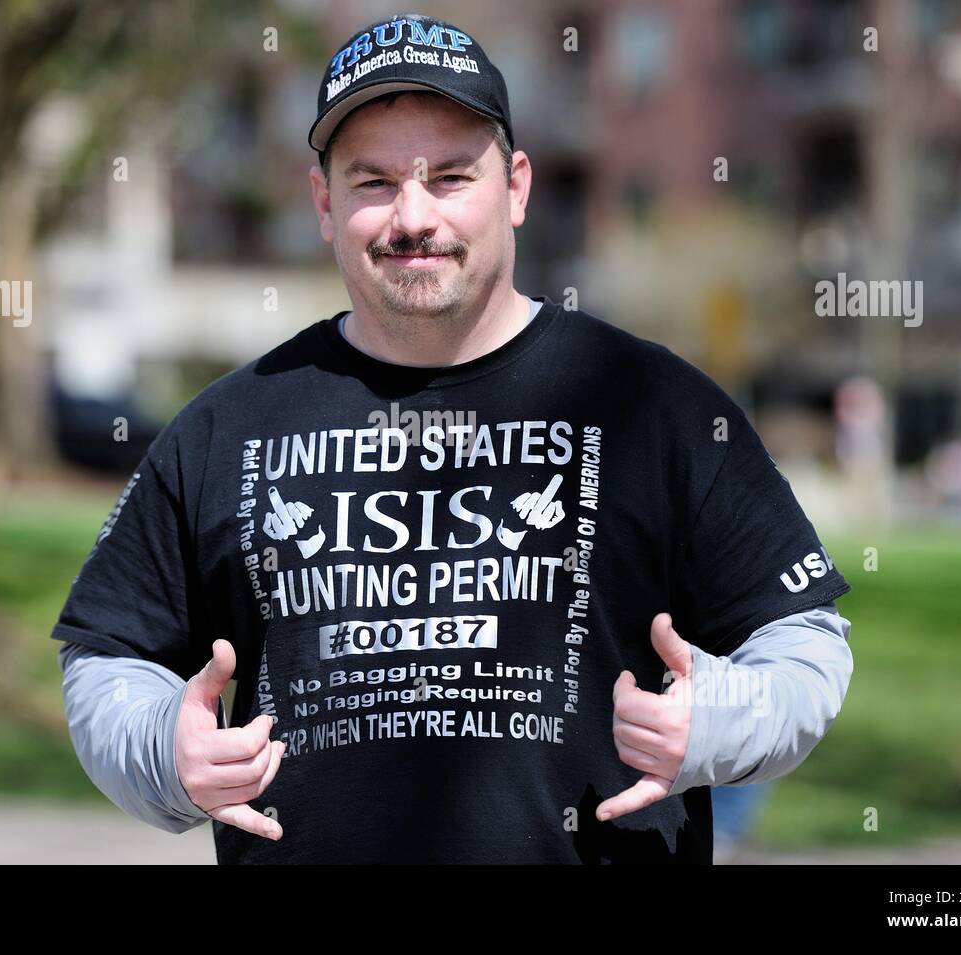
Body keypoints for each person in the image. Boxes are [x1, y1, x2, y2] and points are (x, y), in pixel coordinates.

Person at [53, 12, 853, 864]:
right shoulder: (226, 426)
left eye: (449, 177)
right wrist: (166, 754)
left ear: (515, 186)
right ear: (324, 203)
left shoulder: (656, 408)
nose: (412, 216)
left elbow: (804, 643)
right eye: (373, 182)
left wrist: (716, 722)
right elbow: (108, 657)